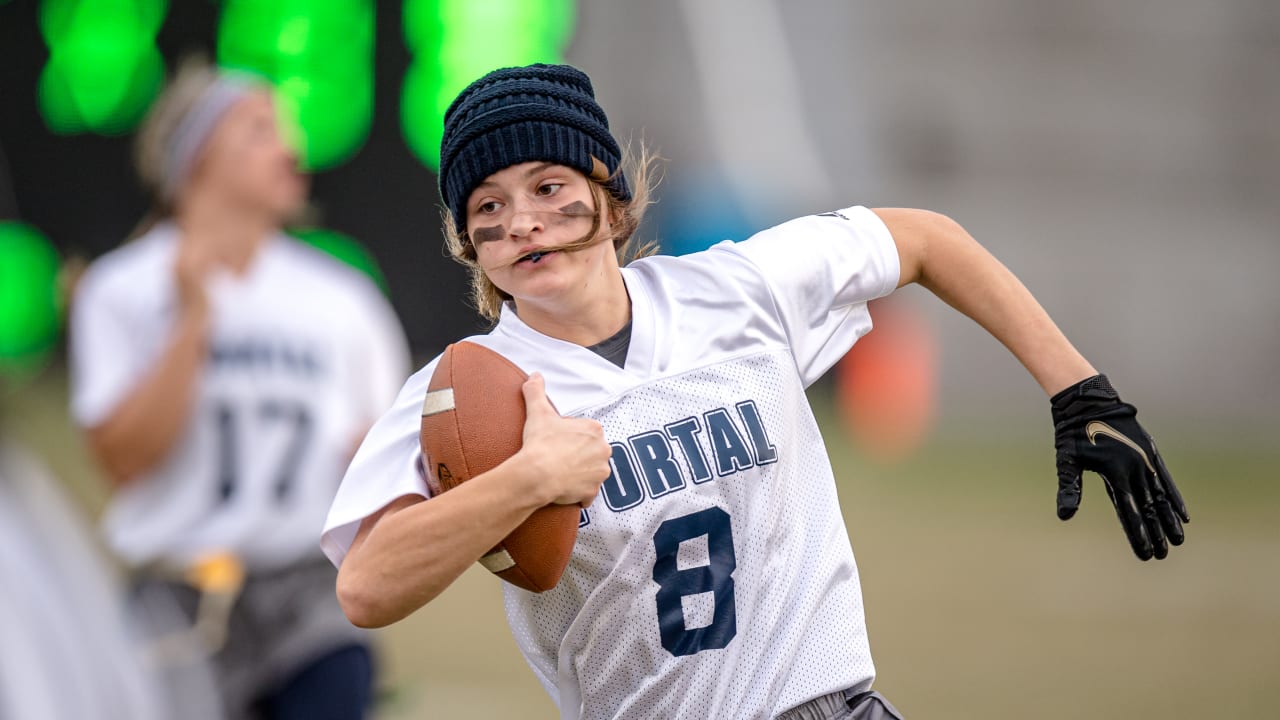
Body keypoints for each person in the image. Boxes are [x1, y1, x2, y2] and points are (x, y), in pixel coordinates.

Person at [321, 64, 1189, 720]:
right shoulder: (465, 391)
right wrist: (525, 479)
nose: (523, 222)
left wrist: (1076, 389)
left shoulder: (738, 290)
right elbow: (366, 588)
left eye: (549, 188)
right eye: (489, 205)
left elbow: (925, 240)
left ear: (608, 194)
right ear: (468, 240)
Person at [69, 60, 410, 720]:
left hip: (307, 595)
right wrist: (192, 320)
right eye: (258, 129)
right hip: (175, 595)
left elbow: (387, 462)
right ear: (193, 155)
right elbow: (123, 459)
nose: (291, 149)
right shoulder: (123, 289)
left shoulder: (342, 297)